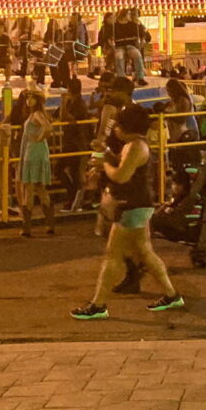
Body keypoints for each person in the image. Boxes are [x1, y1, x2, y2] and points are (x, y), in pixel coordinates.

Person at [71, 103, 184, 318]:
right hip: (137, 206)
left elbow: (121, 176)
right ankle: (172, 294)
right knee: (145, 253)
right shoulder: (133, 145)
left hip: (132, 206)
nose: (115, 129)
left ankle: (98, 305)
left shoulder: (135, 147)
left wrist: (104, 164)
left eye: (118, 125)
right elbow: (123, 165)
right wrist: (106, 153)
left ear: (127, 127)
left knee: (113, 255)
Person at [15, 90, 56, 238]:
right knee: (41, 188)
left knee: (29, 188)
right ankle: (50, 224)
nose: (29, 100)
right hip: (39, 151)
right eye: (28, 97)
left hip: (32, 151)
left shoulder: (36, 114)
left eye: (32, 98)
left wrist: (38, 138)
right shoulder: (37, 114)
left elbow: (47, 127)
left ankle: (27, 227)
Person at [59, 78, 93, 211]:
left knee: (74, 172)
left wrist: (63, 102)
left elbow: (65, 117)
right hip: (69, 142)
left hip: (77, 143)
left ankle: (75, 198)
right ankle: (73, 196)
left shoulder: (79, 105)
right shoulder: (71, 102)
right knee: (61, 170)